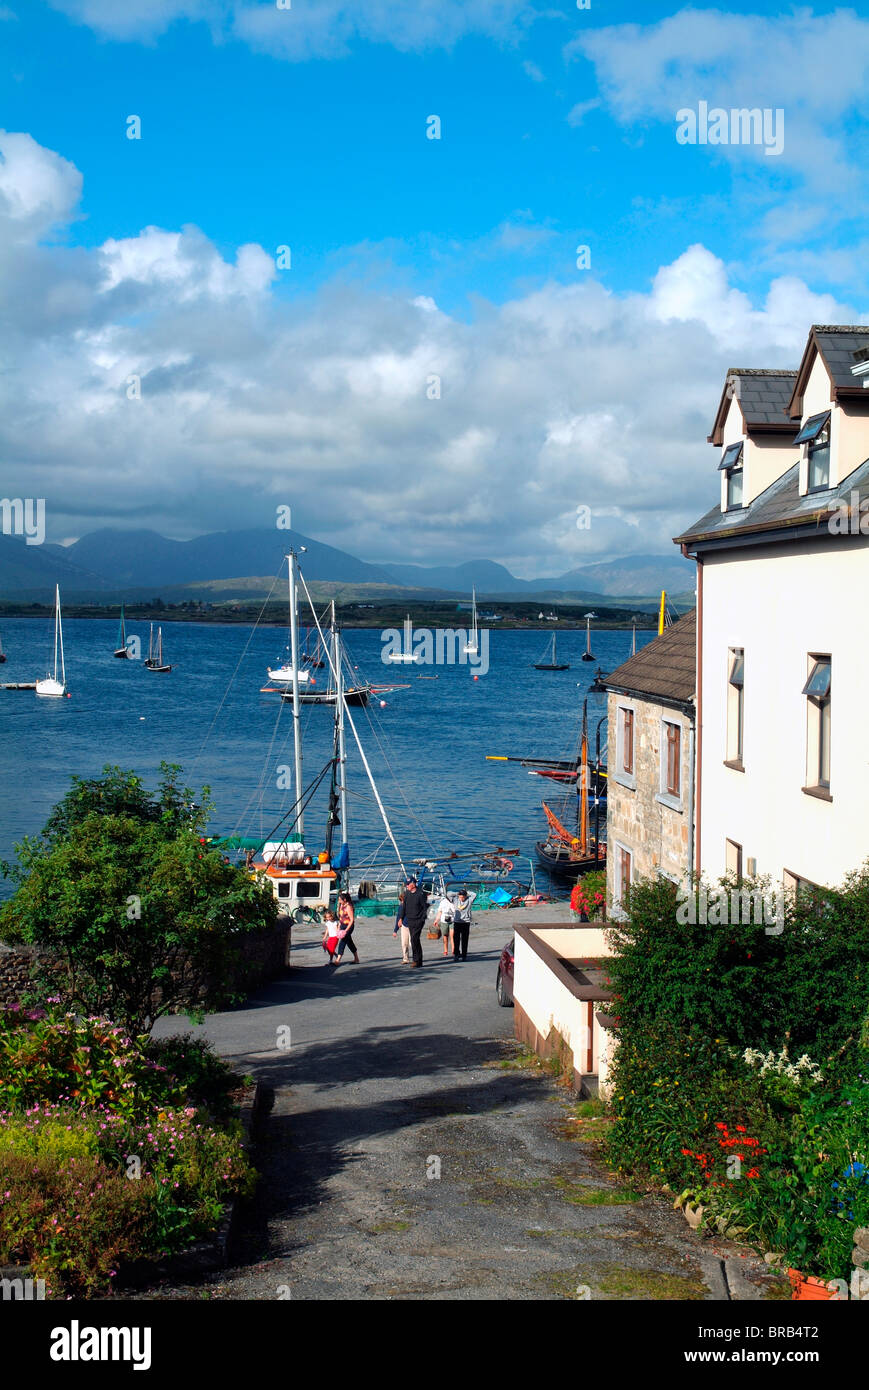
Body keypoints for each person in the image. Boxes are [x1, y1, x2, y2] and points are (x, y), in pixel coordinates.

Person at [399, 876, 429, 968]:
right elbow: (404, 907)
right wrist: (401, 918)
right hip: (409, 920)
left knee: (414, 939)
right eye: (406, 884)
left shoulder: (420, 894)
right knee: (415, 940)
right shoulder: (407, 893)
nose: (407, 886)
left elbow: (425, 908)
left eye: (408, 884)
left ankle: (416, 960)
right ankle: (419, 961)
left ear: (413, 883)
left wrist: (422, 919)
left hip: (418, 920)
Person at [332, 891, 359, 966]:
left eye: (340, 900)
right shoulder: (341, 905)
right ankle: (356, 959)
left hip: (348, 926)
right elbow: (341, 917)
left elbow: (351, 920)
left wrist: (346, 930)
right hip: (343, 925)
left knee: (343, 941)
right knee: (349, 942)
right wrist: (338, 927)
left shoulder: (348, 907)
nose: (339, 901)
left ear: (344, 900)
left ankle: (338, 960)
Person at [450, 887, 476, 961]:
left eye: (463, 897)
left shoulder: (469, 900)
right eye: (460, 897)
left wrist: (466, 892)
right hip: (457, 922)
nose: (461, 898)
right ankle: (456, 954)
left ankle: (464, 955)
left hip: (466, 922)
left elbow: (474, 894)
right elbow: (448, 894)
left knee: (465, 940)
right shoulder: (455, 900)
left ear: (465, 896)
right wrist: (457, 893)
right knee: (456, 940)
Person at [435, 890, 455, 958]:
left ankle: (453, 950)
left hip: (453, 920)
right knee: (445, 936)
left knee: (452, 936)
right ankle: (445, 950)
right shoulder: (443, 902)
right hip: (444, 920)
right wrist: (436, 920)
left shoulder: (455, 901)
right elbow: (440, 912)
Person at [393, 890, 411, 963]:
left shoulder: (411, 906)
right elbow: (398, 918)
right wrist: (395, 930)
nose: (401, 902)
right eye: (400, 900)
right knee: (404, 943)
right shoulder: (400, 907)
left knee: (412, 943)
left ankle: (416, 958)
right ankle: (405, 958)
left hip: (412, 925)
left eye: (402, 900)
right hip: (404, 926)